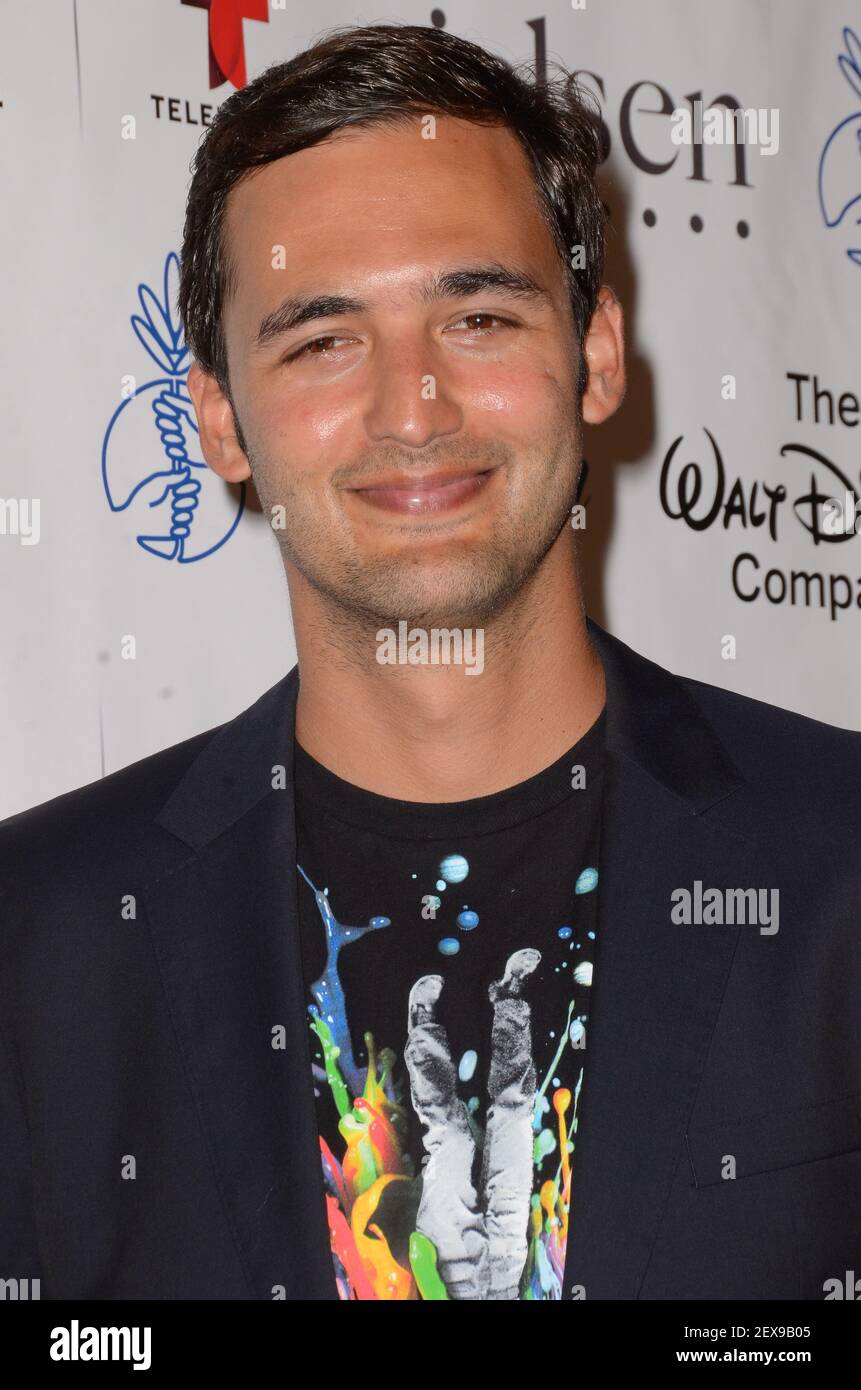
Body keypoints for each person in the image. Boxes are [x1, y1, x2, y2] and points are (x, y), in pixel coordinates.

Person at [2, 22, 860, 1303]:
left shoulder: (840, 858)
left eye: (479, 313)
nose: (415, 408)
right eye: (322, 340)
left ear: (598, 354)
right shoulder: (39, 942)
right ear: (222, 422)